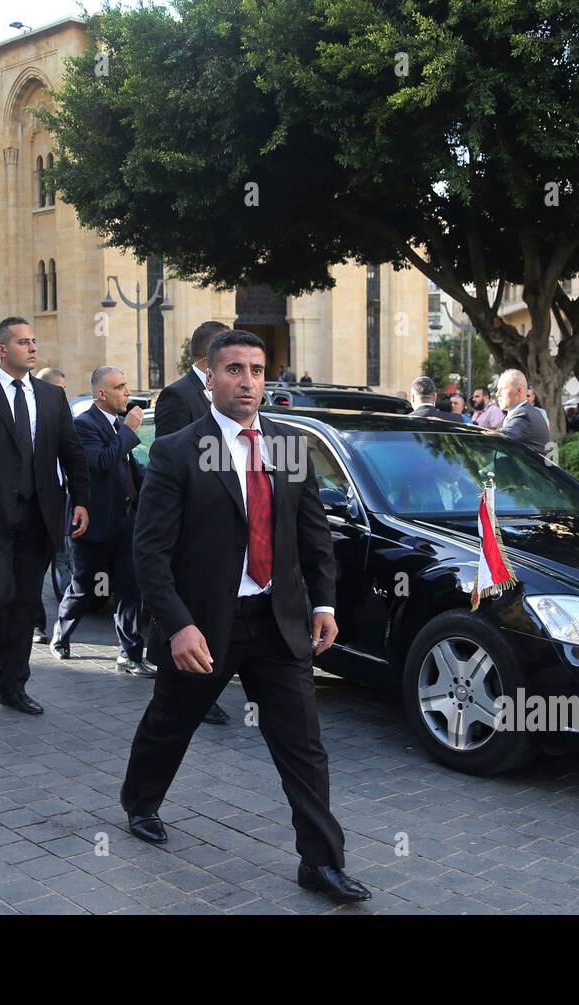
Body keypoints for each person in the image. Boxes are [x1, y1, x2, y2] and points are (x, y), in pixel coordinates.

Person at [121, 328, 370, 904]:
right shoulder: (177, 450)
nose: (248, 381)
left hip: (277, 622)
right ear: (209, 377)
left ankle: (320, 862)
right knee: (171, 722)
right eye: (234, 369)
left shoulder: (289, 446)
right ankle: (140, 800)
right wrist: (178, 624)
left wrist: (325, 603)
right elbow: (149, 552)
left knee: (304, 745)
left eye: (257, 370)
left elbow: (314, 538)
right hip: (205, 626)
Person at [0, 317, 91, 716]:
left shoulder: (50, 396)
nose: (33, 348)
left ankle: (14, 685)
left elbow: (71, 451)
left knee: (26, 602)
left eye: (34, 341)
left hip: (39, 516)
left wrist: (81, 500)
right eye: (24, 342)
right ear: (2, 350)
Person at [154, 320, 234, 725]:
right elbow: (171, 457)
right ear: (210, 357)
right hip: (192, 525)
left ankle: (213, 681)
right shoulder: (176, 396)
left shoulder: (237, 395)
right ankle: (199, 689)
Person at [50, 366, 152, 676]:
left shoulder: (118, 424)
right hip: (94, 524)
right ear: (102, 394)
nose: (127, 392)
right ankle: (61, 634)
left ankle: (130, 654)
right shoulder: (84, 426)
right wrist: (129, 432)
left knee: (130, 589)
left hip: (126, 521)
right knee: (84, 589)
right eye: (121, 387)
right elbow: (102, 463)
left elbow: (127, 468)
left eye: (126, 385)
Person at [33, 366, 73, 644]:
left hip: (61, 502)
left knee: (62, 561)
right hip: (37, 506)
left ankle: (62, 623)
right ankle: (37, 623)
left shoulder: (63, 416)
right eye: (59, 390)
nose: (63, 396)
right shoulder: (35, 418)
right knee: (35, 571)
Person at [491, 369, 550, 454]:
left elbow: (501, 437)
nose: (497, 394)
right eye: (497, 389)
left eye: (502, 389)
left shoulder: (524, 415)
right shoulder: (521, 412)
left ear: (519, 390)